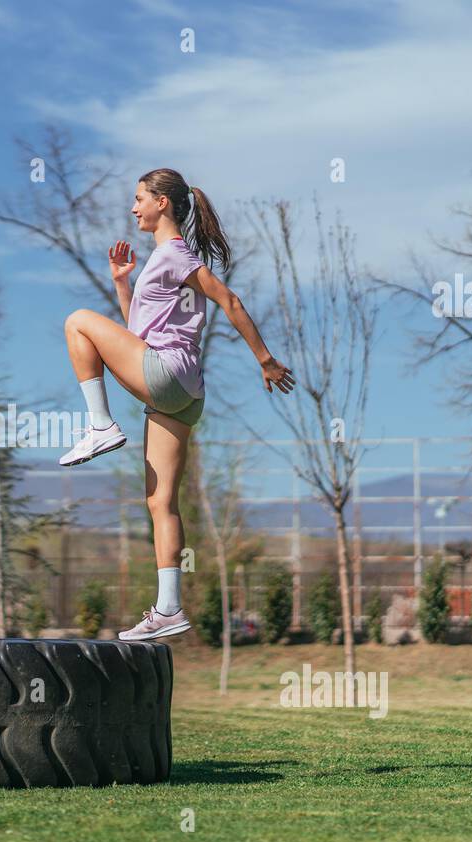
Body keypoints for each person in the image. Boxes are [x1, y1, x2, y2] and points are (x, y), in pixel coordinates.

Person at [58, 168, 295, 641]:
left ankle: (100, 424)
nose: (133, 208)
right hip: (185, 392)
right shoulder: (162, 261)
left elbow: (229, 298)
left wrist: (265, 360)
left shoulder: (173, 254)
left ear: (162, 203)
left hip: (167, 372)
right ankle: (168, 609)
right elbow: (137, 336)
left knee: (78, 321)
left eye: (139, 198)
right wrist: (124, 284)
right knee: (160, 500)